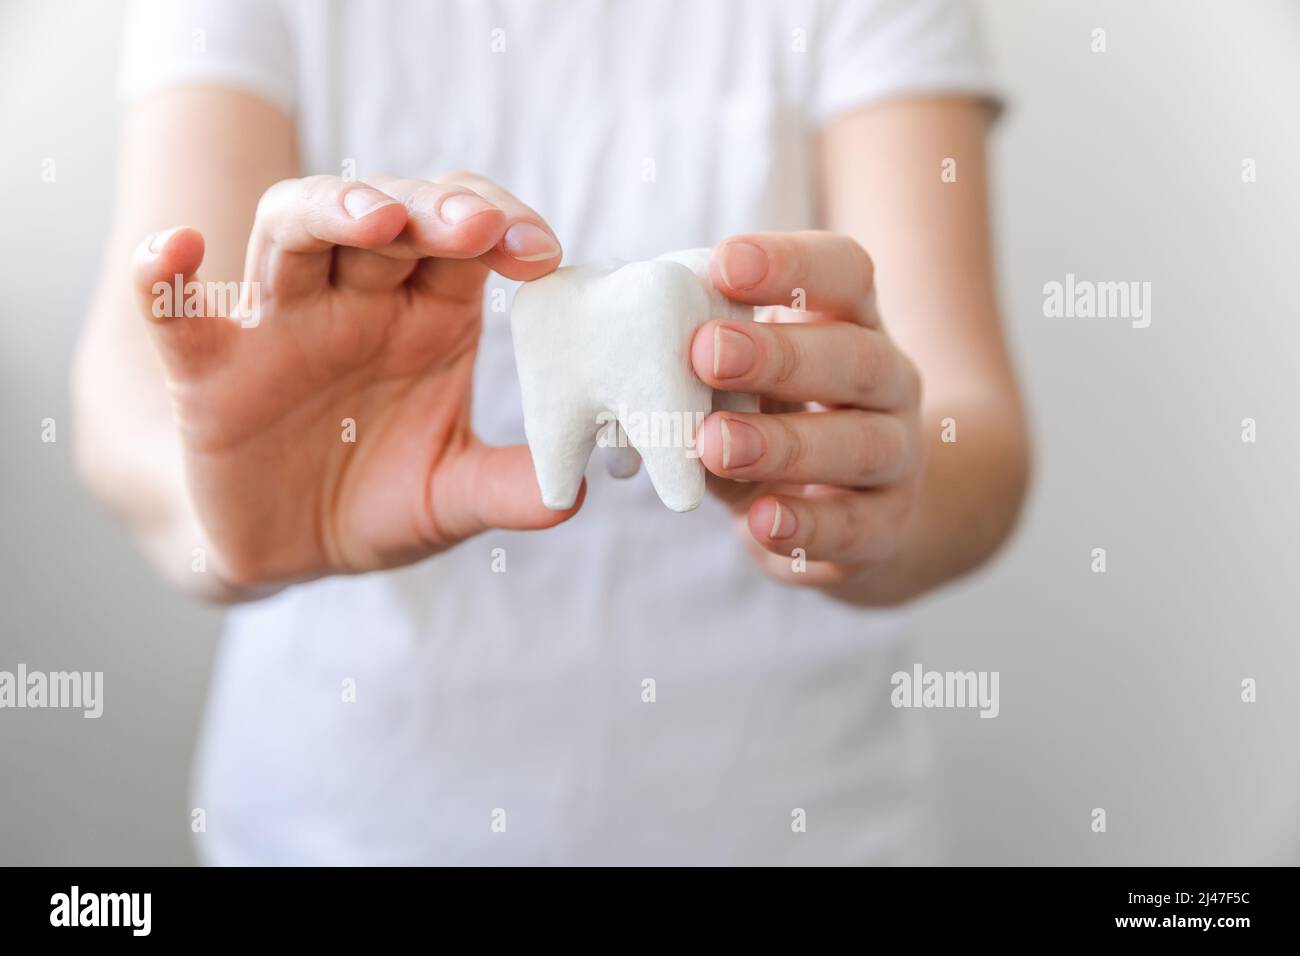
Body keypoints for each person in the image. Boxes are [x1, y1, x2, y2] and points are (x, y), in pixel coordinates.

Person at [74, 0, 1029, 864]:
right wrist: (220, 506)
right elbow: (130, 383)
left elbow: (974, 431)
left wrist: (877, 486)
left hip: (797, 821)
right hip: (345, 826)